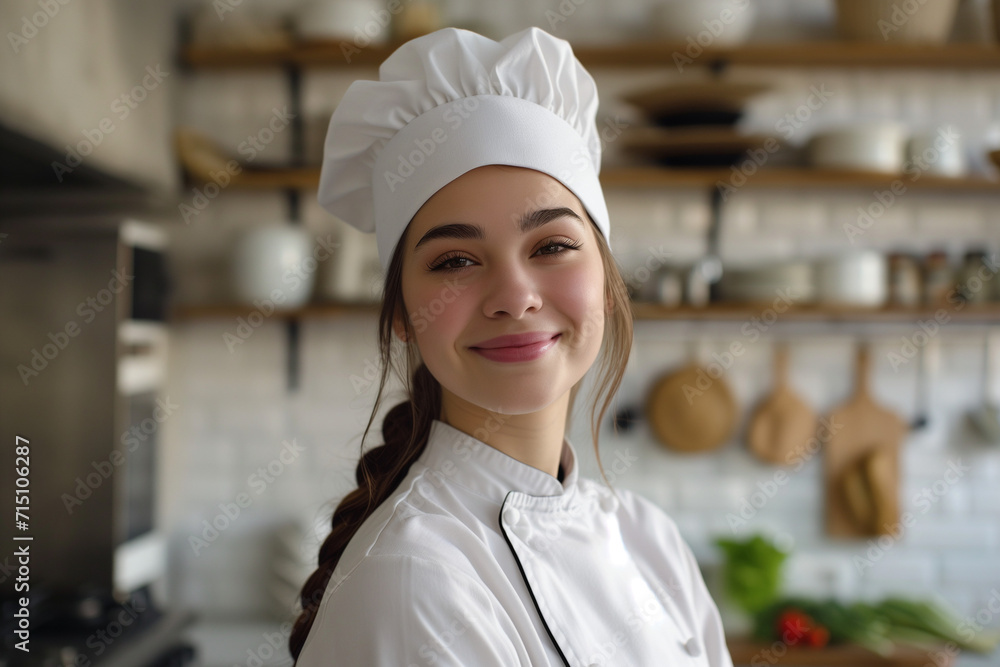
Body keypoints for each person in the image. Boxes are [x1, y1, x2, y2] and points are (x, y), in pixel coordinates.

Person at [290, 25, 734, 667]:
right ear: (403, 318)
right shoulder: (414, 581)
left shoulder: (647, 541)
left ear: (607, 283)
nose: (514, 295)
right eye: (454, 261)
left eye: (551, 246)